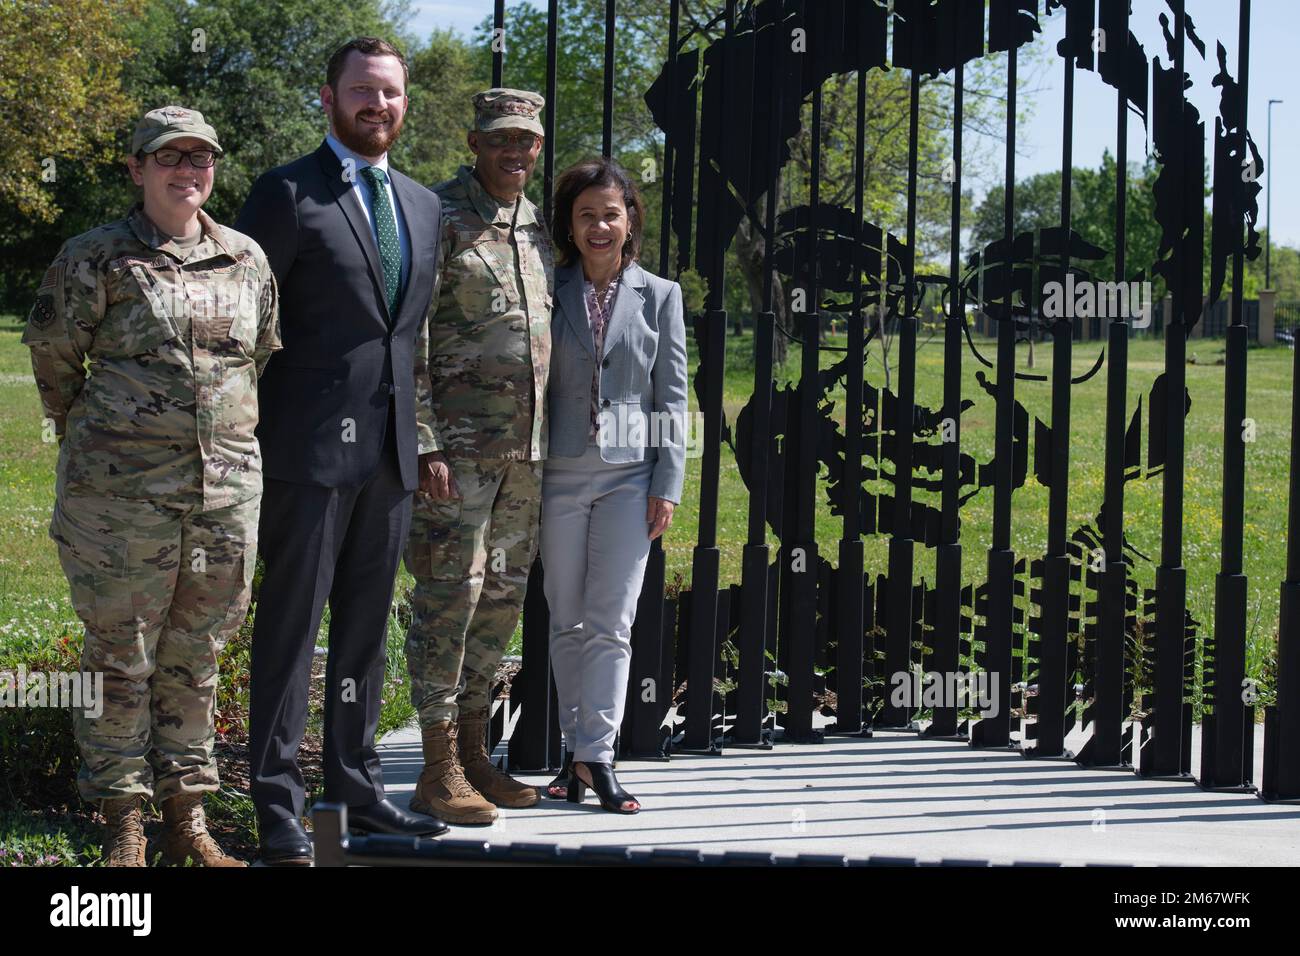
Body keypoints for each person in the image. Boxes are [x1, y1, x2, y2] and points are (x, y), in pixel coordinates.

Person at [23, 106, 280, 865]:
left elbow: (256, 357)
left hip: (224, 497)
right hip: (117, 501)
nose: (188, 171)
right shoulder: (94, 257)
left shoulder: (246, 259)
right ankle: (122, 819)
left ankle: (187, 817)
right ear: (138, 170)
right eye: (170, 159)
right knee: (119, 654)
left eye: (201, 158)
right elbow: (54, 361)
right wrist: (110, 445)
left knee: (196, 655)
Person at [235, 37, 447, 865]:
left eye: (390, 93)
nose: (378, 106)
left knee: (364, 636)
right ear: (328, 98)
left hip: (389, 459)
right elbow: (248, 332)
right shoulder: (285, 194)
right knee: (290, 636)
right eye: (361, 91)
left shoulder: (424, 208)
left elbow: (410, 339)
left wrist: (420, 441)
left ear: (405, 102)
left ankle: (355, 789)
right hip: (306, 457)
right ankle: (277, 805)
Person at [404, 88, 553, 825]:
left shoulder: (536, 225)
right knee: (446, 598)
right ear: (475, 142)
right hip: (455, 456)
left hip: (526, 457)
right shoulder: (437, 217)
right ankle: (435, 766)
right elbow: (412, 335)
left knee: (498, 602)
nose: (515, 153)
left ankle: (472, 751)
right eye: (501, 140)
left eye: (526, 141)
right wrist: (426, 439)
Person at [540, 157, 687, 813]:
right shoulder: (546, 286)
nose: (600, 225)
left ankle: (597, 756)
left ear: (630, 220)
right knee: (566, 618)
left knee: (611, 622)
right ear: (570, 226)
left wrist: (670, 479)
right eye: (586, 215)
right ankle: (576, 759)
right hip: (558, 476)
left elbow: (673, 396)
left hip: (631, 479)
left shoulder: (662, 295)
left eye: (611, 213)